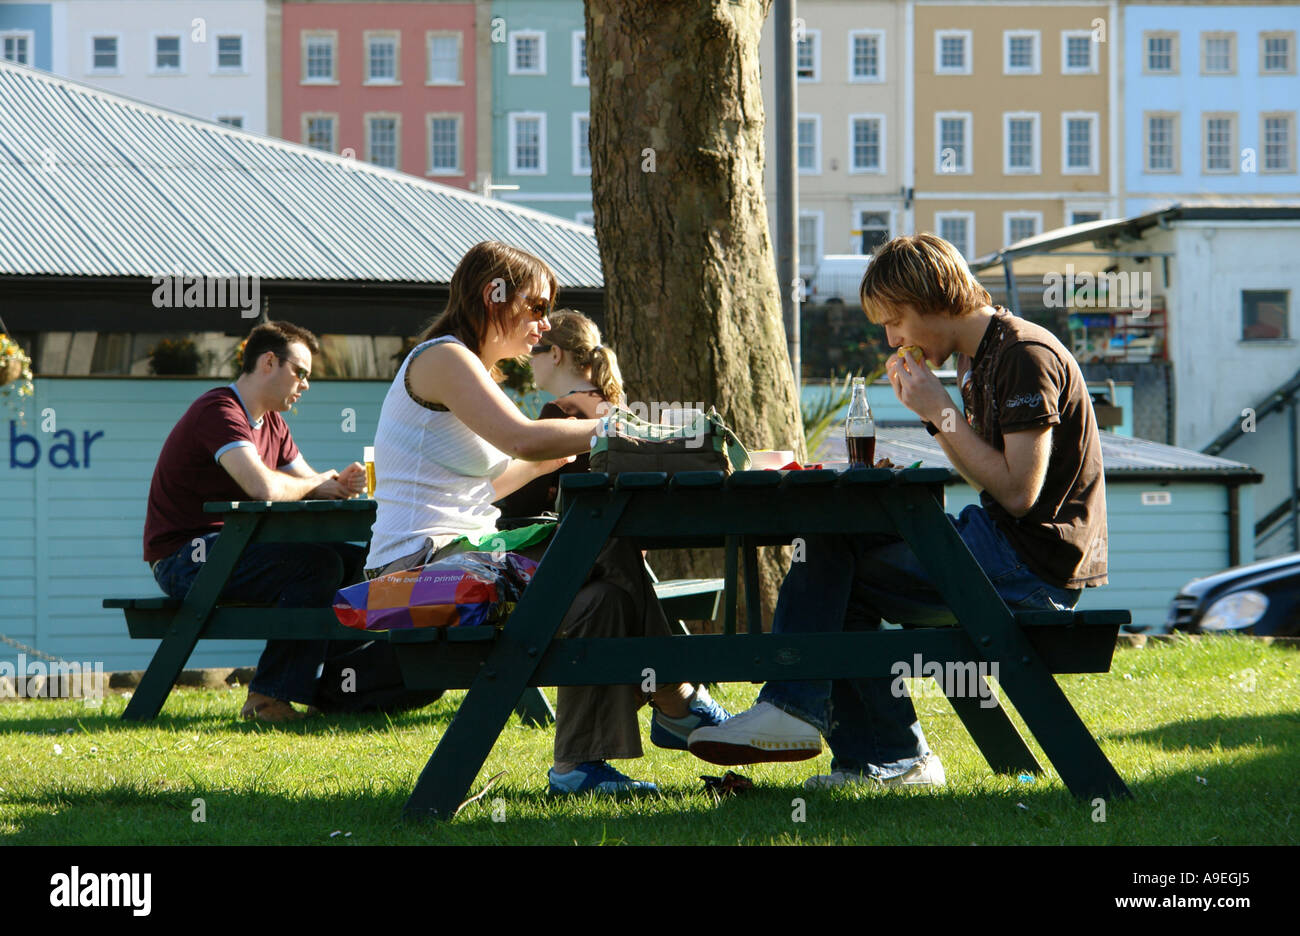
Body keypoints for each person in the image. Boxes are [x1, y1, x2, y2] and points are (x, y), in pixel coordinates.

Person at [688, 233, 1108, 788]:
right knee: (839, 559)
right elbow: (989, 470)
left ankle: (799, 710)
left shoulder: (1024, 355)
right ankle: (884, 759)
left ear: (935, 298)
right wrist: (938, 416)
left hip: (1031, 568)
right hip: (1001, 548)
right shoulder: (976, 360)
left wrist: (938, 412)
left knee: (833, 545)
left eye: (895, 321)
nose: (890, 338)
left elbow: (1018, 492)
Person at [365, 241, 728, 796]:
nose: (543, 324)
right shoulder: (444, 358)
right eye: (535, 308)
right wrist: (613, 427)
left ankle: (578, 768)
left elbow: (493, 477)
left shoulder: (474, 369)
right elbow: (521, 437)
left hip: (459, 557)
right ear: (494, 295)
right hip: (415, 573)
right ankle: (679, 701)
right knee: (600, 542)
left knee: (600, 600)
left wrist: (552, 459)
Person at [144, 321, 369, 723]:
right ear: (269, 361)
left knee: (356, 563)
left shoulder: (274, 424)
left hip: (232, 550)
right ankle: (268, 699)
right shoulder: (219, 410)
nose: (306, 384)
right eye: (300, 372)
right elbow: (264, 486)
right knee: (317, 565)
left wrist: (339, 484)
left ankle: (334, 691)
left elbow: (308, 486)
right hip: (185, 560)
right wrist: (321, 482)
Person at [495, 309, 620, 519]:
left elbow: (523, 505)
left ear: (555, 354)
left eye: (534, 351)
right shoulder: (618, 408)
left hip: (575, 545)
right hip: (620, 546)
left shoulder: (561, 411)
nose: (530, 361)